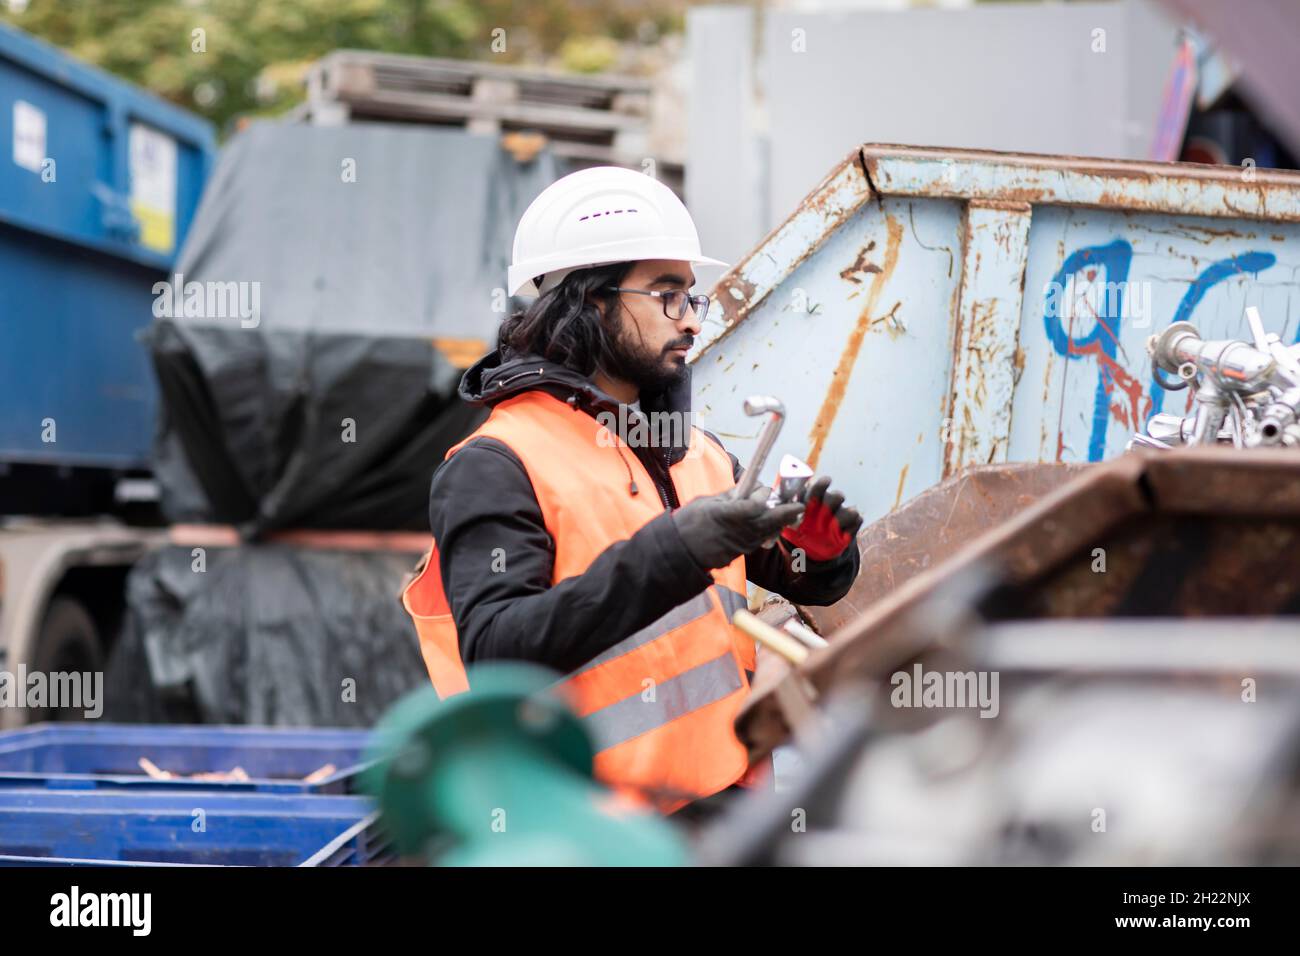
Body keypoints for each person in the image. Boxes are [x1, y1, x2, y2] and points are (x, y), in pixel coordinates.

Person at [403, 166, 862, 814]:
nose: (693, 322)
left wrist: (818, 554)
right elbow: (498, 653)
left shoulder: (696, 452)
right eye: (667, 295)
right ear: (589, 298)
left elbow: (804, 582)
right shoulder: (495, 463)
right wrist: (677, 548)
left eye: (692, 297)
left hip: (721, 809)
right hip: (584, 830)